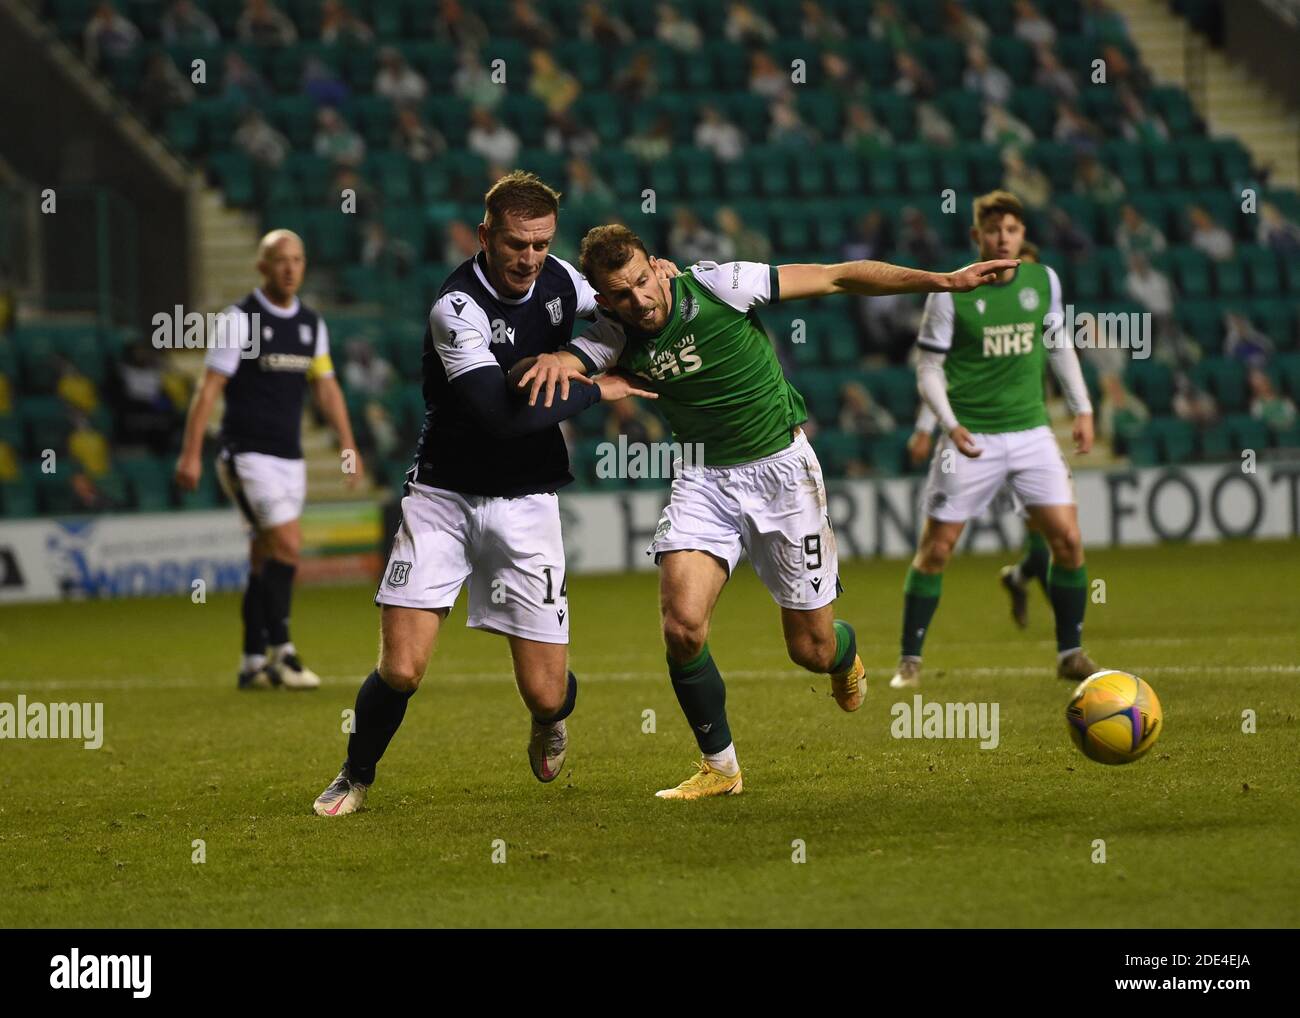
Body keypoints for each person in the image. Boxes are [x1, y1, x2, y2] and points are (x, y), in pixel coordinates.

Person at [518, 224, 1014, 799]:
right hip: (703, 478)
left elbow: (837, 276)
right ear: (602, 300)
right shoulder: (613, 332)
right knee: (682, 626)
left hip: (782, 473)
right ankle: (721, 768)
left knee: (811, 649)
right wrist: (553, 361)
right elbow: (570, 363)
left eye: (642, 283)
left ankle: (843, 658)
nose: (640, 302)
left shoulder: (722, 285)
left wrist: (943, 280)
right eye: (621, 296)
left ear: (658, 267)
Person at [312, 173, 661, 817]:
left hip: (527, 502)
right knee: (402, 669)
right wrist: (595, 389)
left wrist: (575, 358)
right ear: (485, 237)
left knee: (547, 694)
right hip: (442, 496)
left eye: (540, 244)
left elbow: (619, 317)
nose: (529, 259)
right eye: (514, 245)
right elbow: (503, 417)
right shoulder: (458, 308)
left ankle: (551, 717)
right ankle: (354, 775)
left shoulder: (561, 280)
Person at [890, 190, 1098, 690]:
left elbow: (1059, 346)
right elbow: (930, 370)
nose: (1003, 237)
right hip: (971, 438)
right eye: (994, 230)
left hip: (1031, 433)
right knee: (937, 549)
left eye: (1012, 229)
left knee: (1067, 541)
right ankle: (909, 661)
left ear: (1022, 236)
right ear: (977, 237)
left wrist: (1082, 408)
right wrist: (945, 423)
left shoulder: (1042, 280)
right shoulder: (949, 292)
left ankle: (1071, 652)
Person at [174, 230, 363, 690]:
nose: (290, 268)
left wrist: (347, 443)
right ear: (263, 266)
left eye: (298, 260)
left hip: (289, 457)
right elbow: (210, 387)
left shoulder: (311, 324)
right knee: (289, 546)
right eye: (281, 260)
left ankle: (251, 661)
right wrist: (192, 451)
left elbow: (326, 386)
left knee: (263, 559)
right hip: (246, 454)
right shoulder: (240, 320)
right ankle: (285, 654)